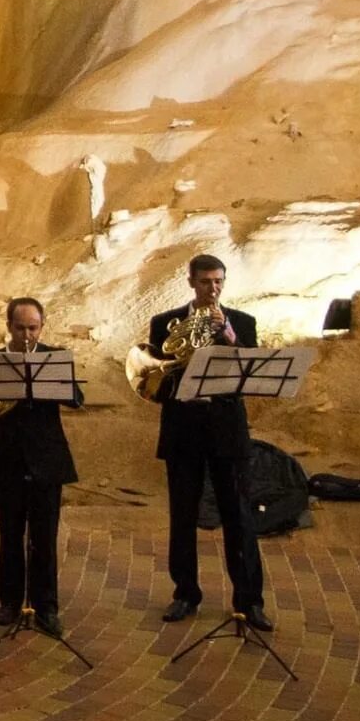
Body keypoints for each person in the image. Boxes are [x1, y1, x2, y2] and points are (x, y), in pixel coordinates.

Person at [149, 254, 268, 629]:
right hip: (183, 430)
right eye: (205, 282)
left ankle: (249, 601)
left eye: (218, 282)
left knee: (239, 517)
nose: (212, 289)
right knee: (182, 516)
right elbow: (155, 381)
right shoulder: (164, 324)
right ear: (190, 282)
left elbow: (252, 370)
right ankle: (185, 593)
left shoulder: (242, 323)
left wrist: (228, 334)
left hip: (226, 431)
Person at [0, 298, 81, 636]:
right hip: (9, 458)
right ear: (9, 326)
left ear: (41, 326)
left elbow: (76, 399)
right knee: (10, 536)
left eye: (33, 328)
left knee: (45, 537)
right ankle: (9, 601)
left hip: (47, 459)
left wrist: (59, 384)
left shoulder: (54, 356)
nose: (27, 335)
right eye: (20, 327)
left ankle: (46, 606)